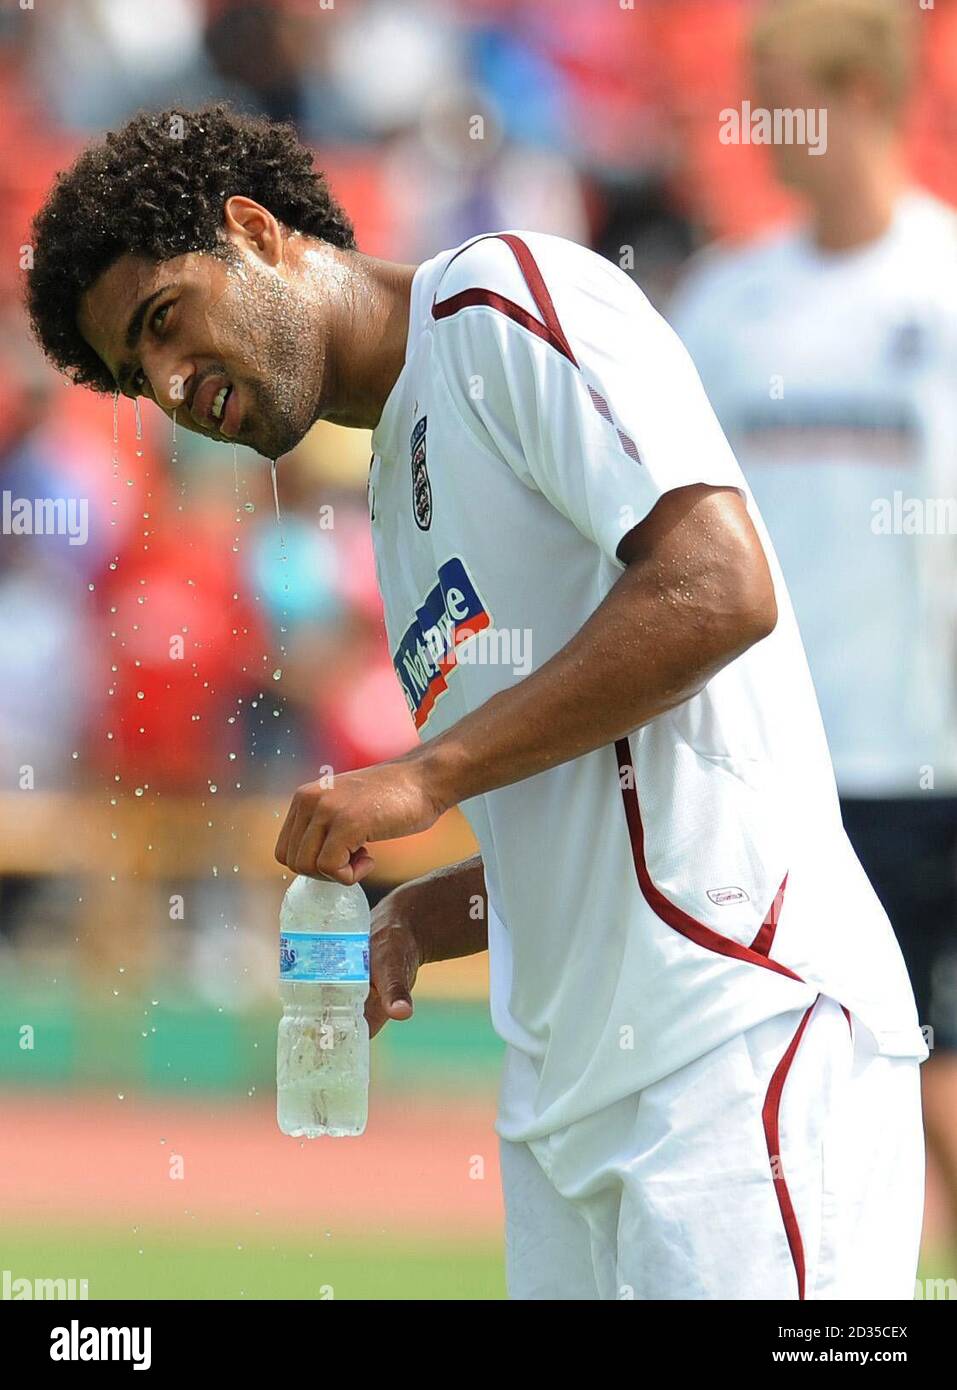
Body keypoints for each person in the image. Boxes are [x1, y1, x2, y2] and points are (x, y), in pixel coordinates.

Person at [26, 103, 927, 1300]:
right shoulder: (395, 504)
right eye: (143, 378)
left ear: (255, 229)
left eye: (164, 322)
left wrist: (425, 777)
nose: (177, 386)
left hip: (734, 1047)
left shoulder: (498, 303)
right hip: (569, 1109)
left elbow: (722, 583)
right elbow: (595, 792)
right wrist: (426, 914)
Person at [670, 0, 957, 1249]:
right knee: (819, 1098)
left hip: (930, 765)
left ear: (859, 94)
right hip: (779, 775)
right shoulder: (730, 302)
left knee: (931, 1083)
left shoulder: (944, 285)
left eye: (778, 94)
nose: (755, 128)